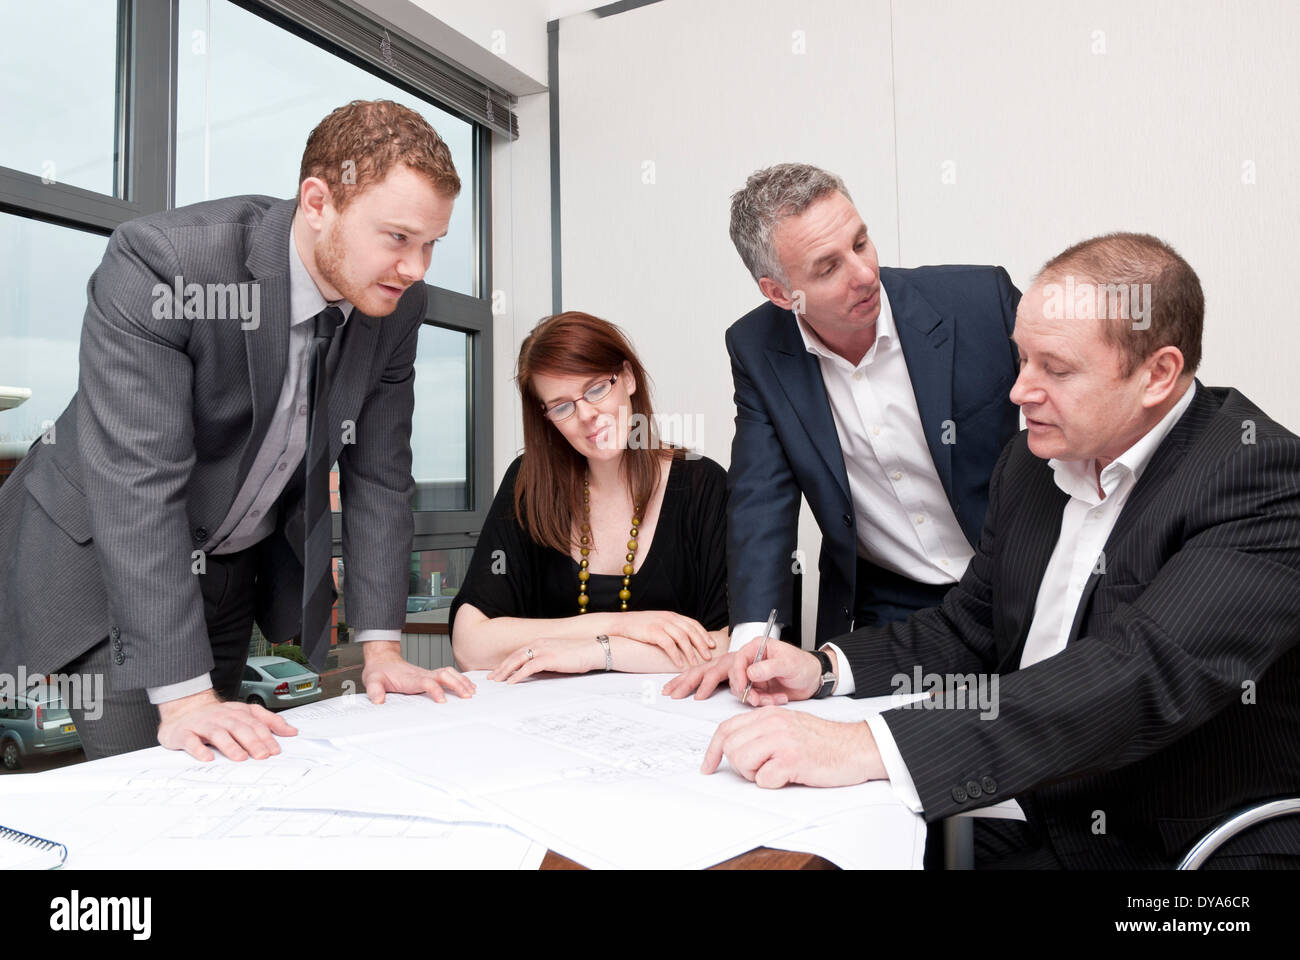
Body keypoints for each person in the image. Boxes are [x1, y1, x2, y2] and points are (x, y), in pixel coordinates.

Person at [667, 232, 1300, 869]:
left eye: (1055, 369)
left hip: (1175, 842)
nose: (1019, 392)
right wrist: (825, 670)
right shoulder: (1030, 466)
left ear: (1157, 374)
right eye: (1021, 360)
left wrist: (863, 746)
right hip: (1032, 803)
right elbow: (969, 627)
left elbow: (1135, 674)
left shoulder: (1258, 475)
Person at [0, 100, 475, 764]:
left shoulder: (397, 306)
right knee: (161, 775)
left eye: (432, 244)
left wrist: (383, 648)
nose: (416, 267)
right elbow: (138, 482)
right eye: (397, 237)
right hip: (113, 560)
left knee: (224, 770)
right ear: (318, 202)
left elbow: (380, 478)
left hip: (229, 570)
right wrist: (188, 701)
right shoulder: (167, 262)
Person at [724, 163, 1020, 658]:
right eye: (828, 267)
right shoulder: (756, 349)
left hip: (1014, 577)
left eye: (860, 244)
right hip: (893, 603)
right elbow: (760, 498)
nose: (865, 276)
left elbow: (1082, 385)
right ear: (779, 293)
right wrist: (754, 644)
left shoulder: (978, 301)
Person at [451, 312, 729, 682]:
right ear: (546, 417)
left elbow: (735, 647)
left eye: (597, 388)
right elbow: (470, 646)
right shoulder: (528, 483)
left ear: (628, 378)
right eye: (562, 406)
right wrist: (624, 626)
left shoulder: (703, 485)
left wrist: (598, 651)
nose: (587, 415)